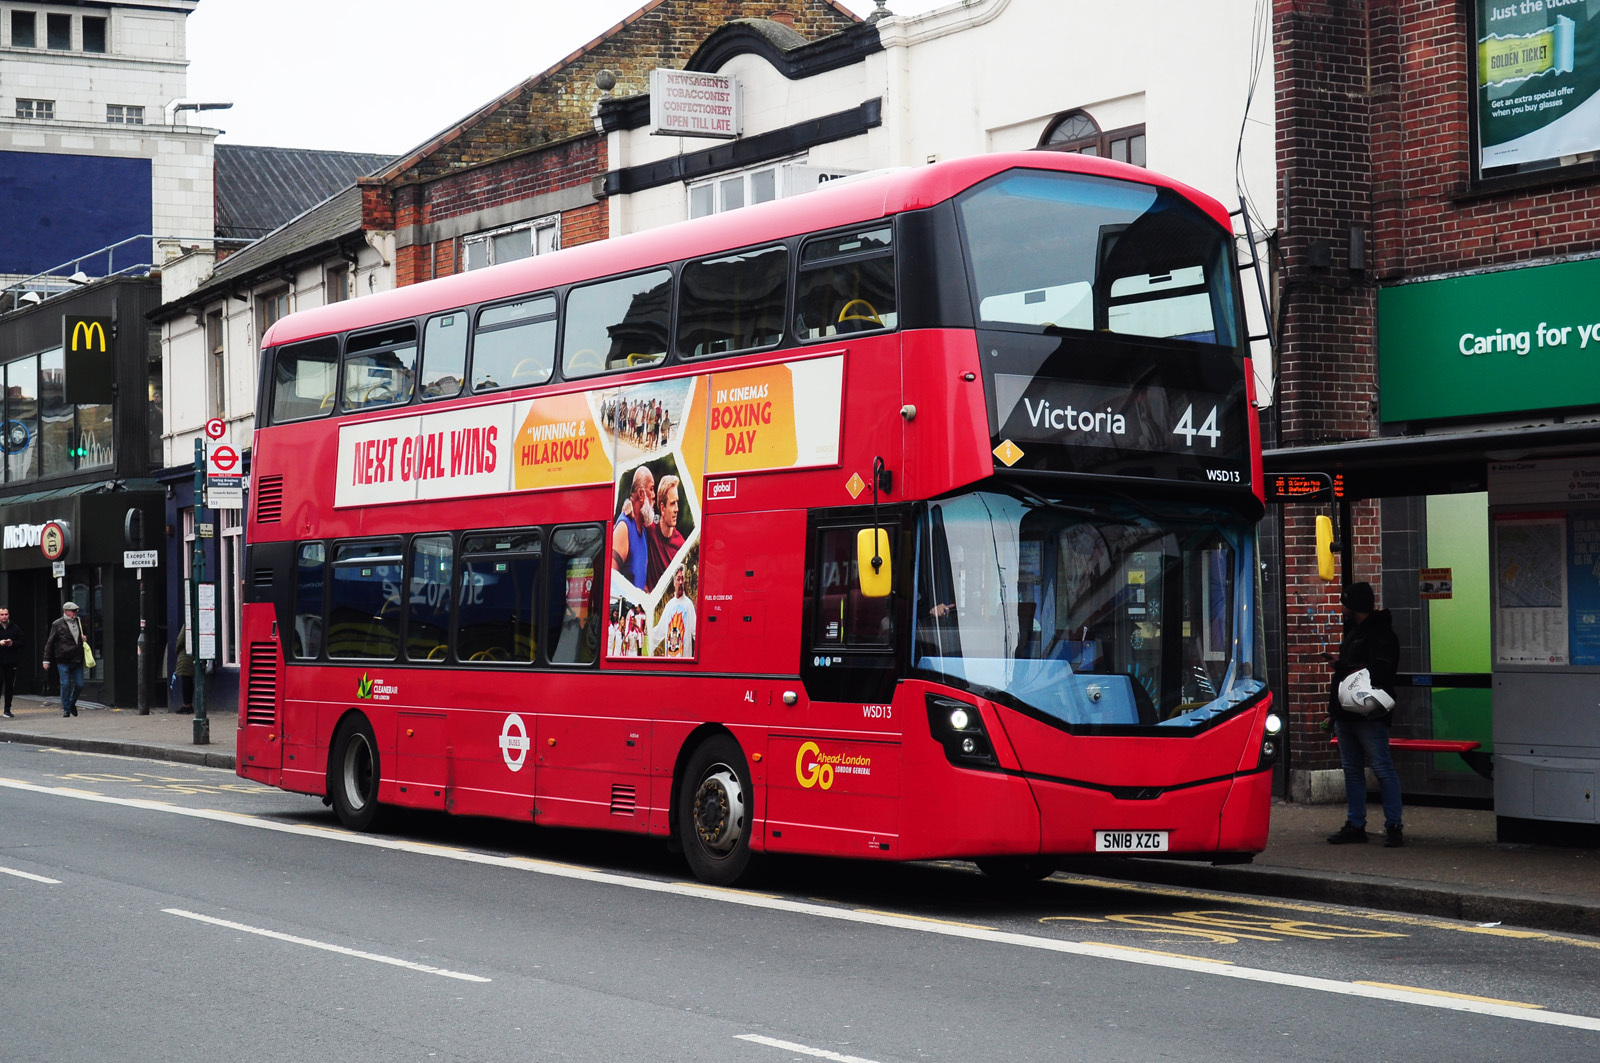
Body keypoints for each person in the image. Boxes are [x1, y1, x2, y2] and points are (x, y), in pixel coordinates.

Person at [1324, 581, 1404, 847]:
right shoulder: (1357, 632)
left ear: (1355, 605)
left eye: (1345, 602)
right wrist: (1333, 713)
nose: (1342, 607)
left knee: (1381, 768)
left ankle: (1393, 825)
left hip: (1368, 714)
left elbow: (1378, 671)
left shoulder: (1380, 635)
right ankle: (1356, 823)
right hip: (1350, 714)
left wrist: (1343, 667)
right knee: (1354, 770)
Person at [41, 600, 86, 718]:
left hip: (77, 658)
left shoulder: (79, 621)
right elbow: (50, 642)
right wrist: (46, 659)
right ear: (66, 612)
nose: (75, 613)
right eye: (73, 611)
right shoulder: (57, 624)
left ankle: (71, 703)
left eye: (76, 611)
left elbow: (81, 637)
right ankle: (66, 709)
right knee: (65, 684)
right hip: (63, 659)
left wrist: (84, 639)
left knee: (80, 684)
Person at [611, 466, 654, 589]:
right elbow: (610, 581)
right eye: (651, 489)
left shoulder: (644, 532)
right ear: (641, 494)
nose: (654, 495)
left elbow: (637, 581)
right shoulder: (624, 528)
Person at [645, 474, 686, 590]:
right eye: (673, 503)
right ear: (662, 508)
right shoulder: (649, 531)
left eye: (677, 502)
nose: (677, 509)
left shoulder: (681, 546)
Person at [651, 566, 698, 658]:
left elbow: (695, 632)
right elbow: (660, 630)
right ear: (674, 582)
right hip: (670, 658)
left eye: (682, 579)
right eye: (678, 579)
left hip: (684, 659)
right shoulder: (669, 606)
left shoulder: (688, 605)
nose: (680, 582)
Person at [0, 605, 22, 718]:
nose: (4, 616)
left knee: (9, 686)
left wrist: (12, 643)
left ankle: (7, 709)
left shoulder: (15, 628)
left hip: (11, 661)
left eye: (6, 614)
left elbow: (22, 642)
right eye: (2, 614)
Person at [174, 625, 195, 713]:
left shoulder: (188, 622)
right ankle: (188, 705)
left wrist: (177, 649)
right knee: (189, 679)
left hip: (186, 654)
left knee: (186, 678)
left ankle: (187, 705)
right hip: (194, 652)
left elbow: (180, 639)